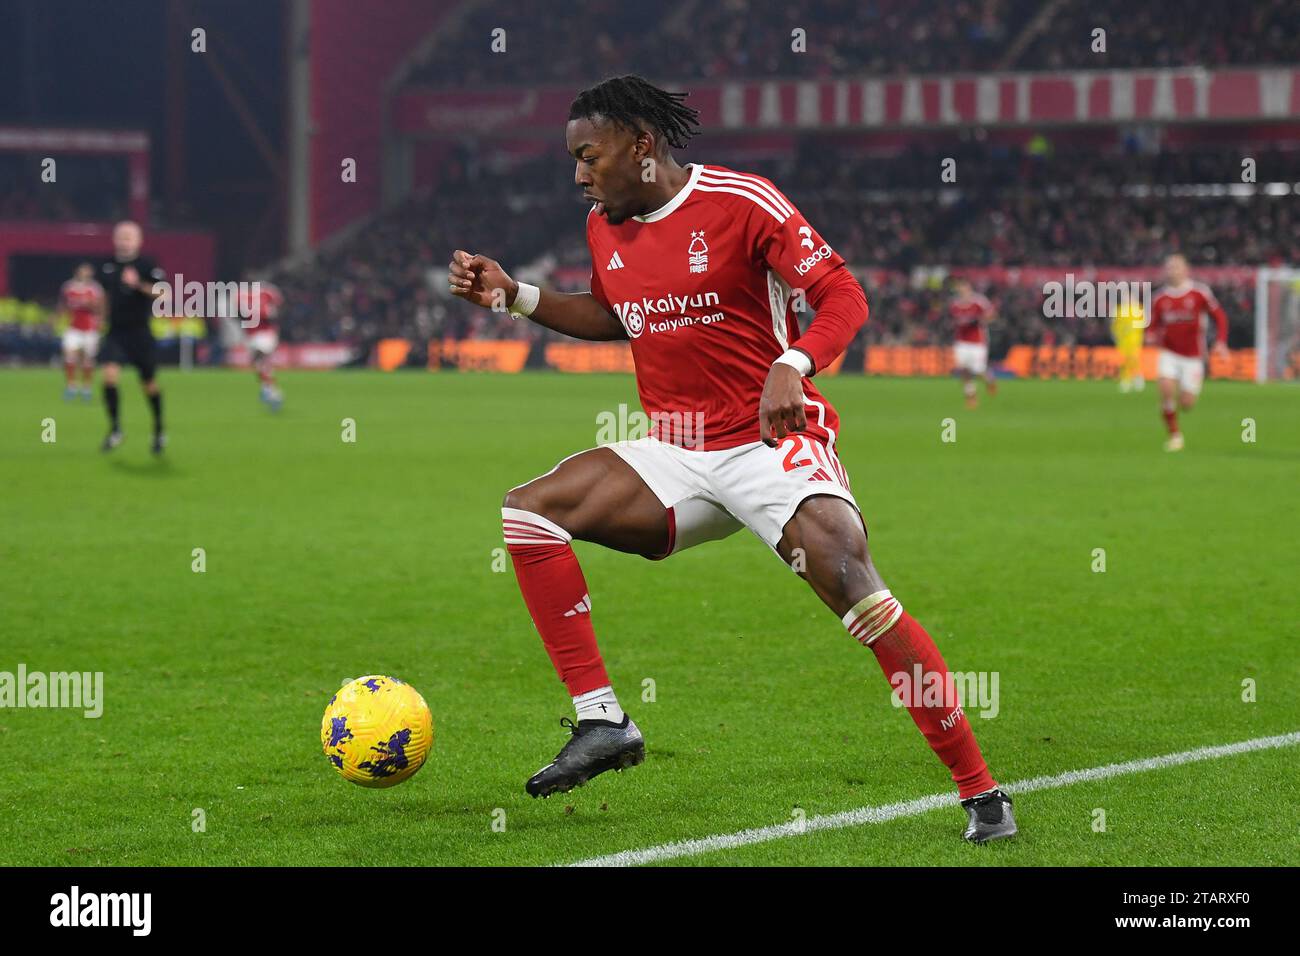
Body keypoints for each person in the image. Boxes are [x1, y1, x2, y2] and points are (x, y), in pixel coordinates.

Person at [449, 75, 1015, 843]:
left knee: (855, 588)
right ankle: (603, 720)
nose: (579, 174)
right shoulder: (604, 226)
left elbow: (842, 293)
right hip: (676, 451)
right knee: (530, 512)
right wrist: (514, 296)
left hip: (770, 445)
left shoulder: (744, 203)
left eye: (589, 156)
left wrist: (796, 363)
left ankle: (982, 794)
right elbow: (616, 317)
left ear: (641, 147)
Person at [99, 221, 168, 454]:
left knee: (148, 384)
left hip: (140, 332)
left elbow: (163, 293)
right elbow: (105, 297)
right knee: (109, 376)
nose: (124, 240)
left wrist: (138, 284)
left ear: (138, 241)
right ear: (114, 239)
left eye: (129, 237)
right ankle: (116, 428)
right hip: (116, 332)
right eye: (121, 236)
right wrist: (99, 316)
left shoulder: (147, 265)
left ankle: (158, 430)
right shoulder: (107, 265)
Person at [1148, 255, 1229, 452]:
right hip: (1169, 353)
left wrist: (1221, 341)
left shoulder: (1199, 293)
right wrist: (1149, 335)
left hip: (1194, 356)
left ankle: (1180, 411)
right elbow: (1152, 324)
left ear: (1186, 269)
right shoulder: (1159, 298)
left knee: (1186, 403)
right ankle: (1175, 436)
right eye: (1169, 267)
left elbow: (1220, 317)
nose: (1172, 271)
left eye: (1176, 267)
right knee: (1166, 390)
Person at [58, 263, 105, 401]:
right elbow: (63, 304)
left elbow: (100, 307)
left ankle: (86, 388)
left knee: (88, 359)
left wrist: (91, 307)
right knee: (69, 355)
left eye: (88, 272)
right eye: (83, 271)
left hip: (90, 328)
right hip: (73, 327)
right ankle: (71, 386)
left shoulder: (95, 288)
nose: (85, 274)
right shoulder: (68, 287)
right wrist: (58, 317)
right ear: (77, 272)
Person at [948, 278, 997, 408]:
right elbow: (954, 320)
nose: (962, 291)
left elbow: (992, 315)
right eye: (959, 289)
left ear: (969, 288)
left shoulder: (979, 302)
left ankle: (990, 381)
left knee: (979, 370)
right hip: (961, 342)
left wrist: (980, 320)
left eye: (964, 288)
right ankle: (971, 396)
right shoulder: (955, 305)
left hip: (977, 341)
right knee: (964, 370)